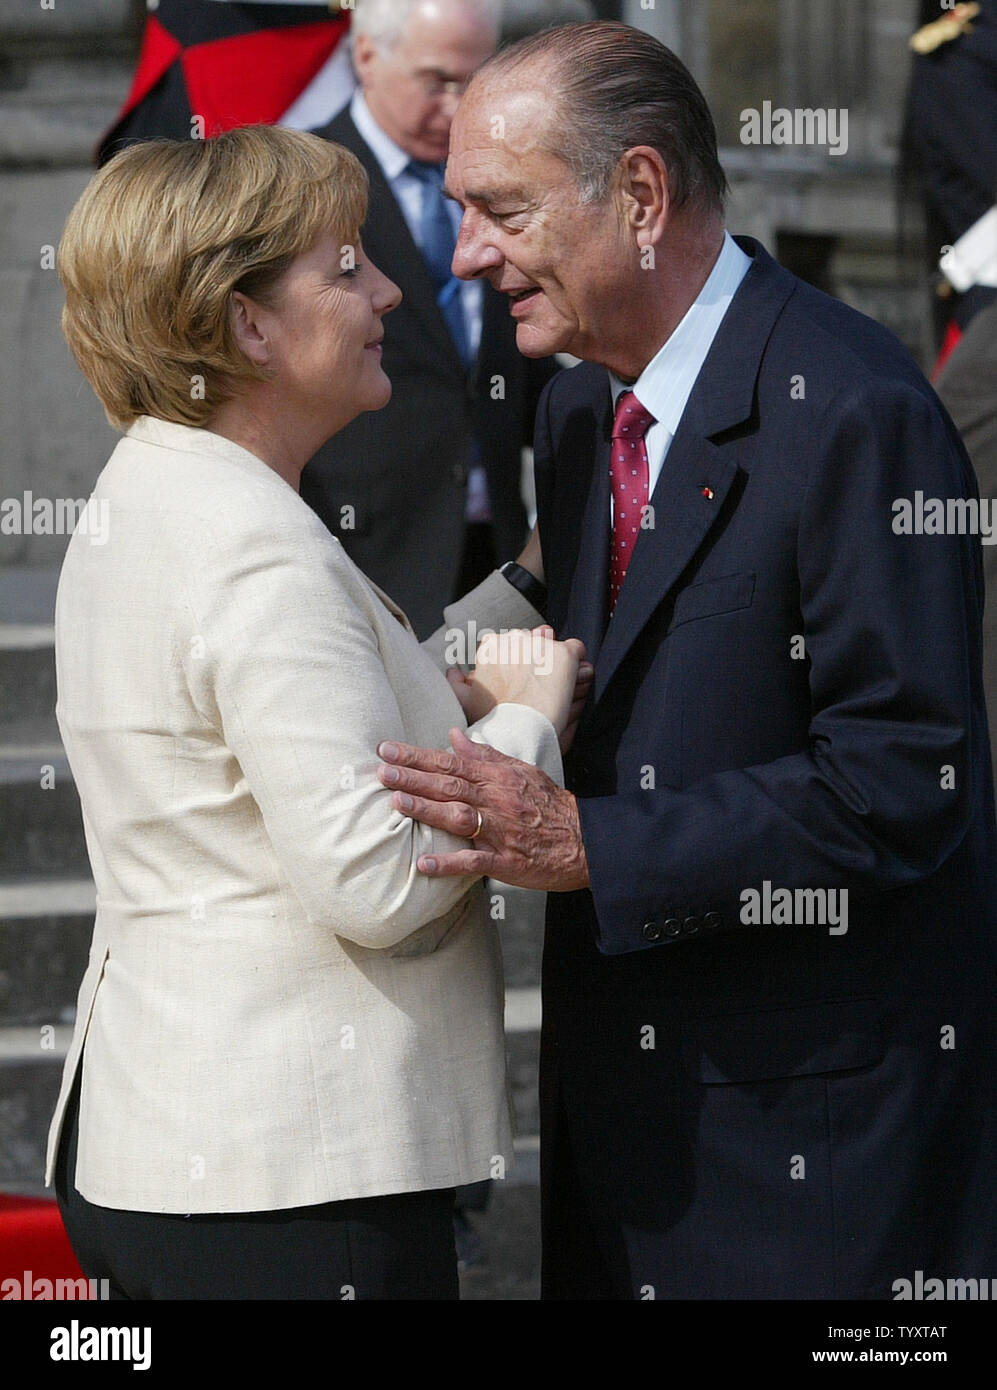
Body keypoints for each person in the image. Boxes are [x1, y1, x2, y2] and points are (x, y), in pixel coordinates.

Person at [376, 21, 997, 1299]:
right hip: (627, 1139)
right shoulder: (575, 401)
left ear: (641, 195)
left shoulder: (855, 409)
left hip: (807, 1164)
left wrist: (594, 846)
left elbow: (901, 777)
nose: (468, 253)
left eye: (501, 209)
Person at [45, 124, 587, 1300]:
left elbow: (342, 684)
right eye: (347, 267)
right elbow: (377, 880)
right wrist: (529, 723)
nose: (392, 287)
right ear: (246, 324)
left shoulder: (162, 486)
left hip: (179, 1150)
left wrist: (528, 582)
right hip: (288, 1185)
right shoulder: (255, 547)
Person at [301, 0, 557, 637]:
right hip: (362, 553)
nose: (457, 106)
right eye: (437, 81)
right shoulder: (300, 186)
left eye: (475, 83)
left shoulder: (505, 175)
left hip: (494, 551)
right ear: (366, 56)